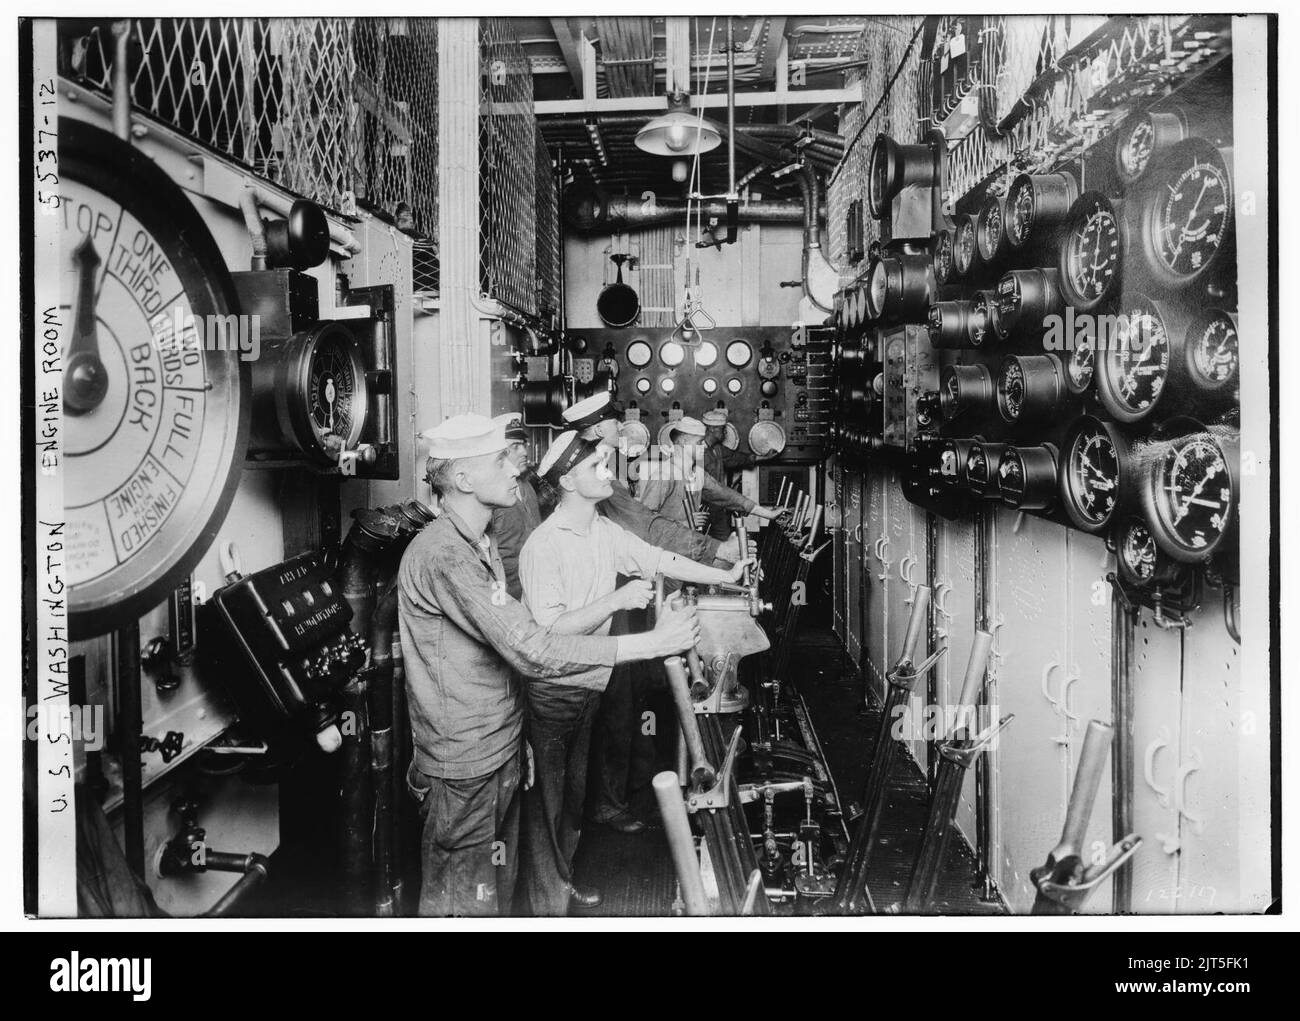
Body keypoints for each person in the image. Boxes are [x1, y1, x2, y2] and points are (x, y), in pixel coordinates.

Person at [397, 412, 700, 917]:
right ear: (466, 480)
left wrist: (518, 735)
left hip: (499, 748)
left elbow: (503, 651)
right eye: (502, 459)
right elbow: (531, 646)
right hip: (465, 764)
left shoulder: (481, 543)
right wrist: (649, 644)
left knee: (501, 886)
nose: (518, 466)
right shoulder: (443, 555)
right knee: (464, 905)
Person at [518, 431, 754, 915]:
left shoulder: (603, 530)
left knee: (573, 801)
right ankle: (546, 909)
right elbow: (549, 632)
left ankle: (560, 887)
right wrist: (617, 599)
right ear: (567, 481)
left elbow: (658, 557)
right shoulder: (544, 545)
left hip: (589, 684)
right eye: (597, 467)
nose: (609, 472)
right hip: (554, 693)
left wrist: (724, 574)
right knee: (549, 807)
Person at [560, 392, 755, 834]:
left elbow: (650, 545)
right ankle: (607, 804)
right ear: (596, 433)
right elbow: (649, 528)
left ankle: (634, 787)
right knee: (614, 704)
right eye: (614, 424)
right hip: (605, 609)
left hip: (621, 599)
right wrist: (715, 553)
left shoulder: (607, 477)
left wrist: (719, 569)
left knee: (630, 697)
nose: (624, 429)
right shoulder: (601, 484)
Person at [489, 414, 541, 600]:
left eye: (524, 445)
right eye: (515, 447)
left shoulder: (526, 486)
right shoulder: (490, 494)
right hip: (505, 592)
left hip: (533, 585)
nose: (524, 452)